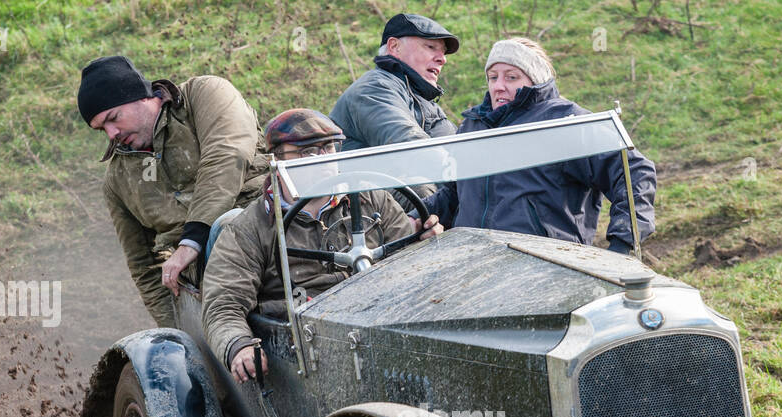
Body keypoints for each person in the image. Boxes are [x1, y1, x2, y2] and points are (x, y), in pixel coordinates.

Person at [203, 110, 442, 383]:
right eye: (307, 152)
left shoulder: (371, 198)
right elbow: (223, 305)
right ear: (278, 160)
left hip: (380, 328)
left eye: (328, 147)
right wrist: (239, 346)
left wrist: (426, 245)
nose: (323, 159)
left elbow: (411, 269)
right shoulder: (250, 228)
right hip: (305, 349)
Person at [77, 55, 270, 327]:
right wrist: (177, 332)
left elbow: (227, 155)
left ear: (140, 96)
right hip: (208, 287)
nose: (111, 134)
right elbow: (145, 267)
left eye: (113, 118)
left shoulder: (205, 95)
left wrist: (191, 241)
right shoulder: (117, 181)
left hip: (275, 236)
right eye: (101, 129)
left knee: (228, 224)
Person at [426, 37, 656, 255]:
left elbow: (633, 172)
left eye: (511, 77)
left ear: (534, 79)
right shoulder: (473, 127)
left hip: (546, 267)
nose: (498, 86)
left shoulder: (567, 123)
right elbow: (456, 193)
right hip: (471, 263)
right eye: (493, 77)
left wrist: (622, 244)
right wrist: (418, 217)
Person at [330, 13, 459, 206]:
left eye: (443, 53)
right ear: (394, 47)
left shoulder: (426, 103)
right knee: (421, 192)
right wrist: (466, 180)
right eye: (431, 47)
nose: (442, 59)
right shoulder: (373, 89)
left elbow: (457, 150)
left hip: (392, 197)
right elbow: (409, 147)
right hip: (359, 205)